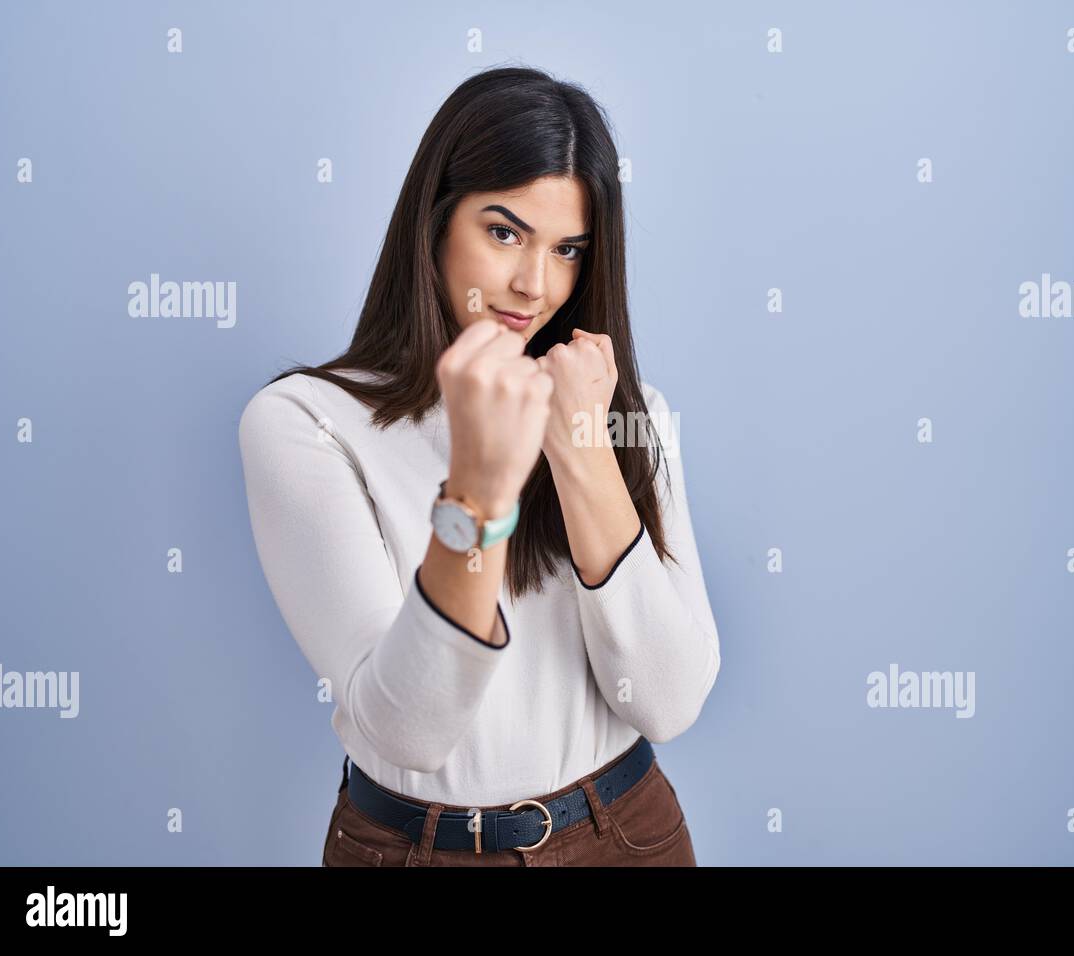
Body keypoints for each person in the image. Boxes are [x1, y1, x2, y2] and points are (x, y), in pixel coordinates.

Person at [237, 66, 720, 866]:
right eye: (504, 232)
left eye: (568, 249)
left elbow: (669, 703)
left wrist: (583, 450)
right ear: (434, 222)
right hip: (411, 849)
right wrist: (481, 484)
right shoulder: (308, 425)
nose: (536, 284)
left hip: (626, 834)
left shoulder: (625, 410)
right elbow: (409, 730)